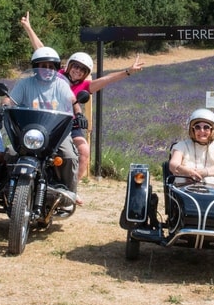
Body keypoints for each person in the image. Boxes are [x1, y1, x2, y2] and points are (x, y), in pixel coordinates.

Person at [20, 12, 143, 185]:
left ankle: (72, 187)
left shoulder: (85, 87)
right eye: (75, 66)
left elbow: (106, 79)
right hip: (46, 120)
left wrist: (128, 71)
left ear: (85, 74)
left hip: (68, 124)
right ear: (69, 65)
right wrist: (28, 28)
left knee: (84, 150)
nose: (77, 71)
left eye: (82, 70)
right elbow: (42, 51)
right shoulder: (56, 74)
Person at [1, 46, 80, 202]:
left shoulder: (61, 84)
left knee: (69, 155)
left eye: (51, 67)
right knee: (10, 153)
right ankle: (9, 189)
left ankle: (69, 194)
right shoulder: (25, 84)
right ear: (36, 68)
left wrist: (79, 114)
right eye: (43, 66)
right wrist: (3, 106)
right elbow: (9, 99)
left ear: (56, 69)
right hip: (30, 132)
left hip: (54, 134)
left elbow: (73, 101)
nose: (47, 69)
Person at [167, 109, 214, 186]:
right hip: (183, 187)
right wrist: (188, 172)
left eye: (206, 127)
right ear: (192, 130)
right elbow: (173, 164)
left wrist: (203, 173)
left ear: (212, 130)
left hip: (212, 188)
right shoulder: (181, 146)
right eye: (197, 127)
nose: (202, 131)